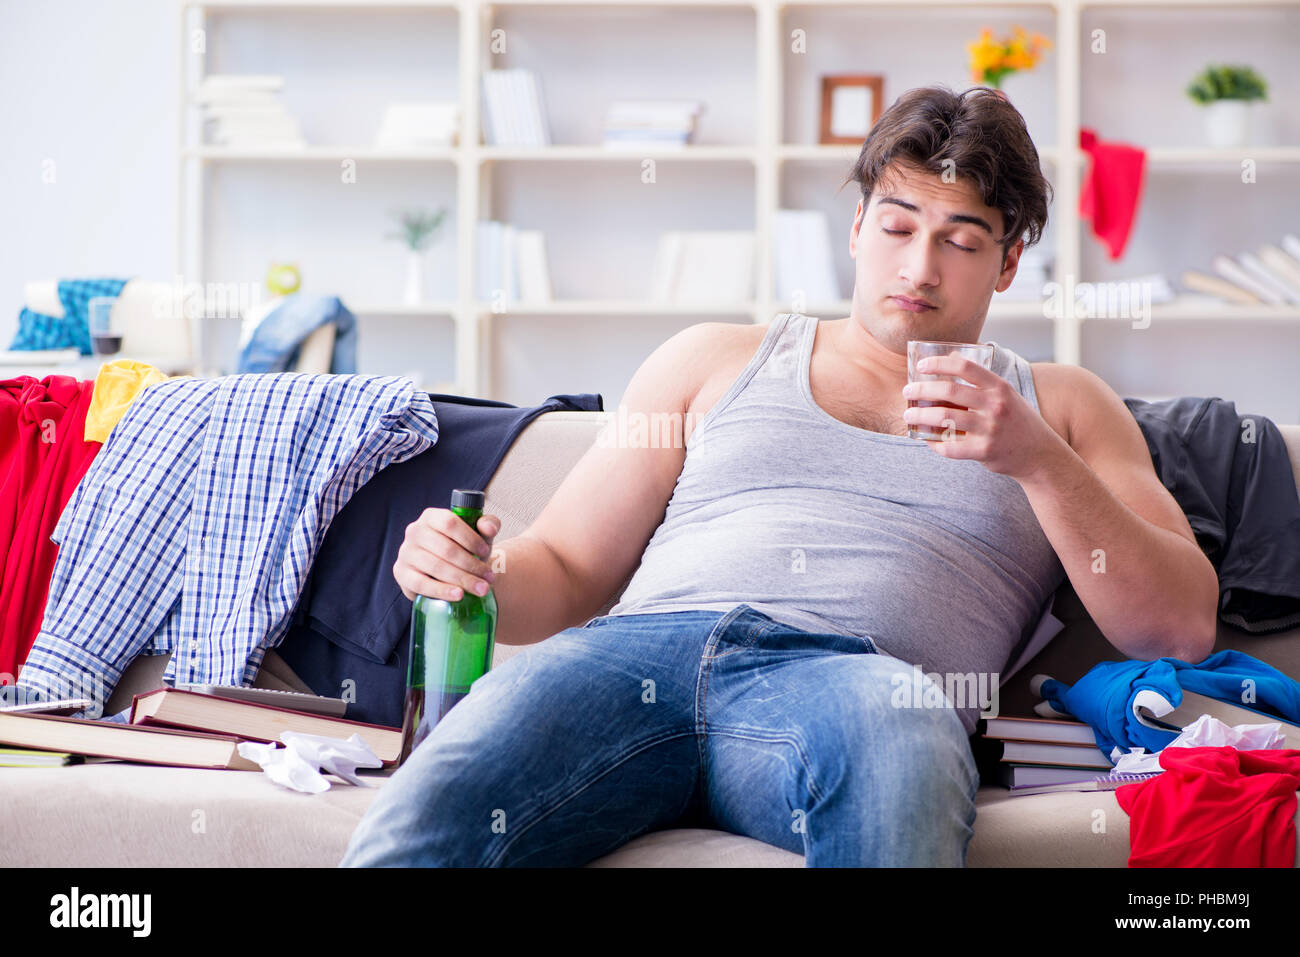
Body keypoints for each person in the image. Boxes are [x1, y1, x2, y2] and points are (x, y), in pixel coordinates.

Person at [339, 85, 1219, 867]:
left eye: (960, 239)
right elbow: (565, 568)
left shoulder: (1059, 406)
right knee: (424, 814)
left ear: (1010, 262)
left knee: (902, 751)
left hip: (858, 686)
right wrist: (476, 572)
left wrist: (1036, 461)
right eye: (898, 226)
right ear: (857, 226)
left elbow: (1178, 624)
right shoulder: (716, 357)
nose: (919, 268)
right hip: (626, 663)